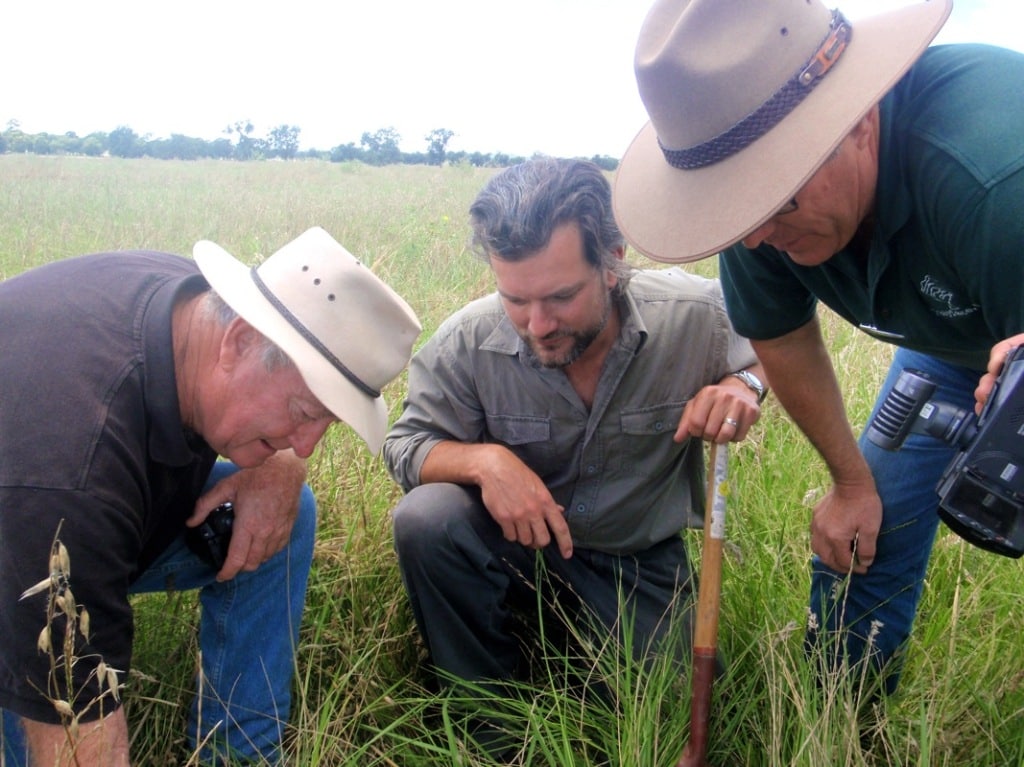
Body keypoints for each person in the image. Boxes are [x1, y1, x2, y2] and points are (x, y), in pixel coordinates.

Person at [613, 0, 1024, 696]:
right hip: (946, 350)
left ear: (859, 121)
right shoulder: (755, 221)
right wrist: (851, 483)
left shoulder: (993, 179)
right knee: (865, 533)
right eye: (738, 210)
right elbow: (781, 336)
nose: (753, 237)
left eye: (777, 200)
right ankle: (843, 717)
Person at [383, 157, 766, 755]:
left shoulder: (697, 316)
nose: (537, 325)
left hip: (634, 561)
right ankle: (488, 723)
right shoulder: (465, 342)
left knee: (670, 711)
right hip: (516, 551)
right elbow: (405, 445)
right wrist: (485, 462)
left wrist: (746, 386)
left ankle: (578, 651)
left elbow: (773, 341)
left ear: (612, 261)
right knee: (426, 518)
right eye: (515, 299)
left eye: (561, 296)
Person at [0, 226, 420, 766]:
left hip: (73, 505)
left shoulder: (196, 309)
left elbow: (286, 443)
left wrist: (281, 465)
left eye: (327, 423)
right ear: (239, 343)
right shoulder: (68, 476)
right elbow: (80, 737)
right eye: (303, 413)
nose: (307, 446)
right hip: (26, 533)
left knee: (285, 515)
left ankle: (239, 755)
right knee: (47, 699)